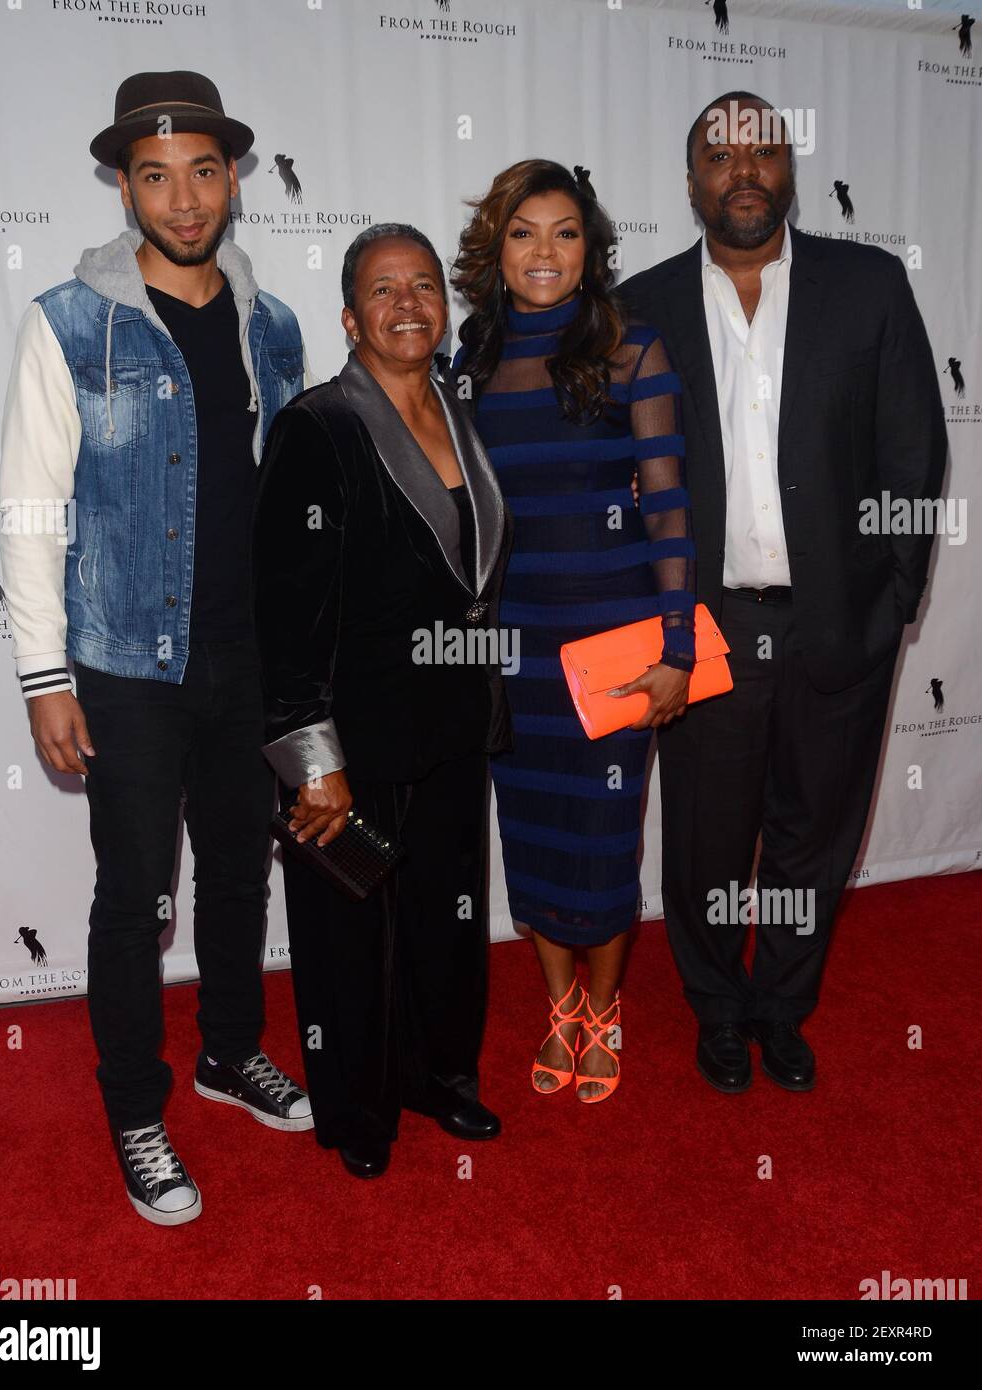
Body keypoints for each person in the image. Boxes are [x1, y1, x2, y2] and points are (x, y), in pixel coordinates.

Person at [0, 71, 311, 1226]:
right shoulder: (71, 323)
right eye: (153, 174)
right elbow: (30, 510)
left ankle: (231, 1053)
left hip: (249, 660)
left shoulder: (272, 325)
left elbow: (290, 502)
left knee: (240, 872)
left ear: (231, 176)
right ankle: (137, 1106)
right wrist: (45, 677)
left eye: (203, 170)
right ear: (122, 185)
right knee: (133, 899)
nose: (182, 198)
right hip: (127, 665)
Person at [618, 91, 947, 1093]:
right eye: (719, 159)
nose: (743, 172)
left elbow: (913, 453)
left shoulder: (870, 286)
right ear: (690, 182)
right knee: (708, 843)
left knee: (814, 839)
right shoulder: (643, 305)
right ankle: (720, 1008)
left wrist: (892, 605)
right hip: (706, 630)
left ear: (790, 169)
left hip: (839, 627)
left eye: (762, 152)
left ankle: (784, 1004)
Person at [252, 224, 512, 1179]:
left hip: (450, 730)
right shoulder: (318, 427)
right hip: (350, 745)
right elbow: (284, 615)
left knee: (445, 918)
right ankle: (357, 1113)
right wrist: (311, 763)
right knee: (347, 934)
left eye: (424, 285)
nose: (408, 303)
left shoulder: (461, 409)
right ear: (350, 315)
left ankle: (441, 1079)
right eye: (383, 288)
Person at [450, 161, 696, 1104]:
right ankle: (560, 1005)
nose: (543, 252)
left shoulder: (634, 351)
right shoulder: (468, 360)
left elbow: (669, 512)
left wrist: (675, 649)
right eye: (523, 232)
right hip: (511, 649)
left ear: (589, 250)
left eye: (563, 232)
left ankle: (607, 1007)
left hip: (613, 644)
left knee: (602, 838)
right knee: (532, 832)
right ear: (495, 248)